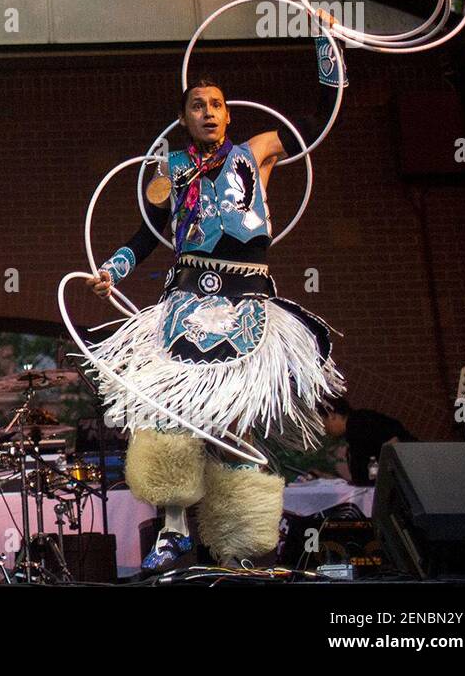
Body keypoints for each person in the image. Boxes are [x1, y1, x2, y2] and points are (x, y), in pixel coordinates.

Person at [83, 32, 346, 572]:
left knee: (236, 423)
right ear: (184, 118)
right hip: (185, 297)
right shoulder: (170, 167)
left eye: (217, 105)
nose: (209, 112)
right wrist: (112, 271)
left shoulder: (260, 150)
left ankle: (243, 540)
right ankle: (175, 530)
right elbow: (145, 234)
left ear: (229, 115)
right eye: (198, 105)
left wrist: (327, 49)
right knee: (172, 415)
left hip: (246, 298)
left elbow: (317, 124)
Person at [318, 396, 415, 485]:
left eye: (322, 422)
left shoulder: (360, 424)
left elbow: (395, 441)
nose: (324, 429)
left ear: (331, 415)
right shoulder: (358, 423)